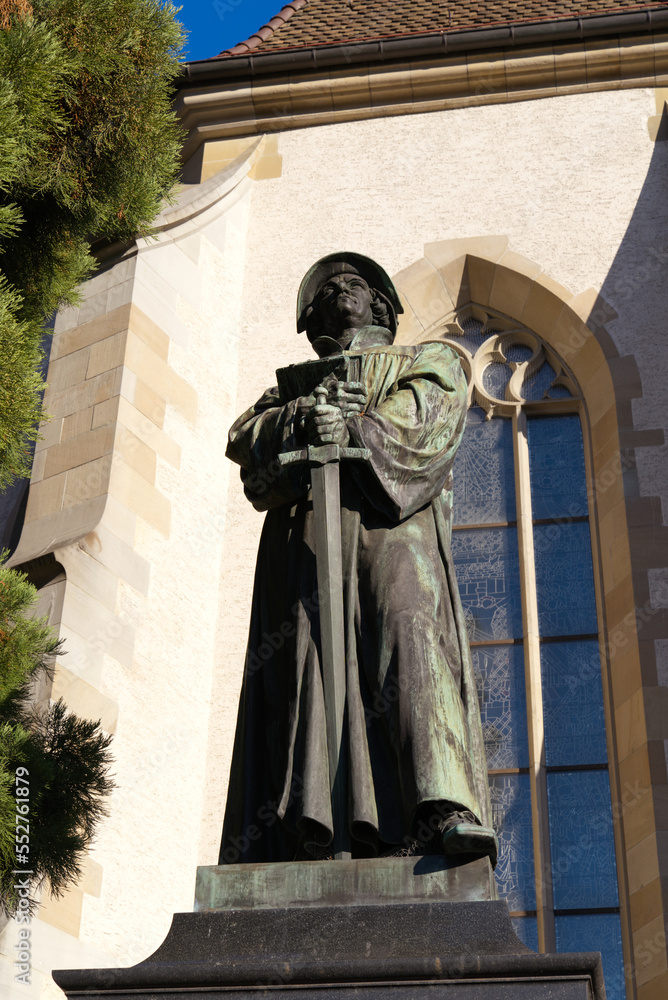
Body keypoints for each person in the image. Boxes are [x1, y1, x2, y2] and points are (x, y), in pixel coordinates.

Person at [219, 252, 497, 865]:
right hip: (308, 539)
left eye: (355, 284)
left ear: (380, 303)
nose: (342, 292)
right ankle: (305, 832)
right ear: (314, 318)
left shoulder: (428, 360)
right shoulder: (288, 388)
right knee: (302, 662)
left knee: (408, 634)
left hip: (391, 527)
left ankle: (439, 808)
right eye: (327, 290)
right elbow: (245, 439)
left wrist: (349, 424)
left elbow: (429, 417)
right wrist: (300, 418)